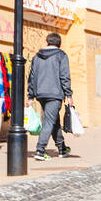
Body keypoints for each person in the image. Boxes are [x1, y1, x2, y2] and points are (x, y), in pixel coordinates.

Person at [27, 31, 73, 161]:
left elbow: (32, 77)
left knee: (54, 120)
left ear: (48, 42)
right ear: (59, 44)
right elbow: (64, 76)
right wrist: (69, 95)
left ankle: (61, 147)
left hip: (41, 94)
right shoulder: (61, 56)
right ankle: (40, 150)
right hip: (55, 94)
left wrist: (31, 96)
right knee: (49, 121)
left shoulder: (37, 57)